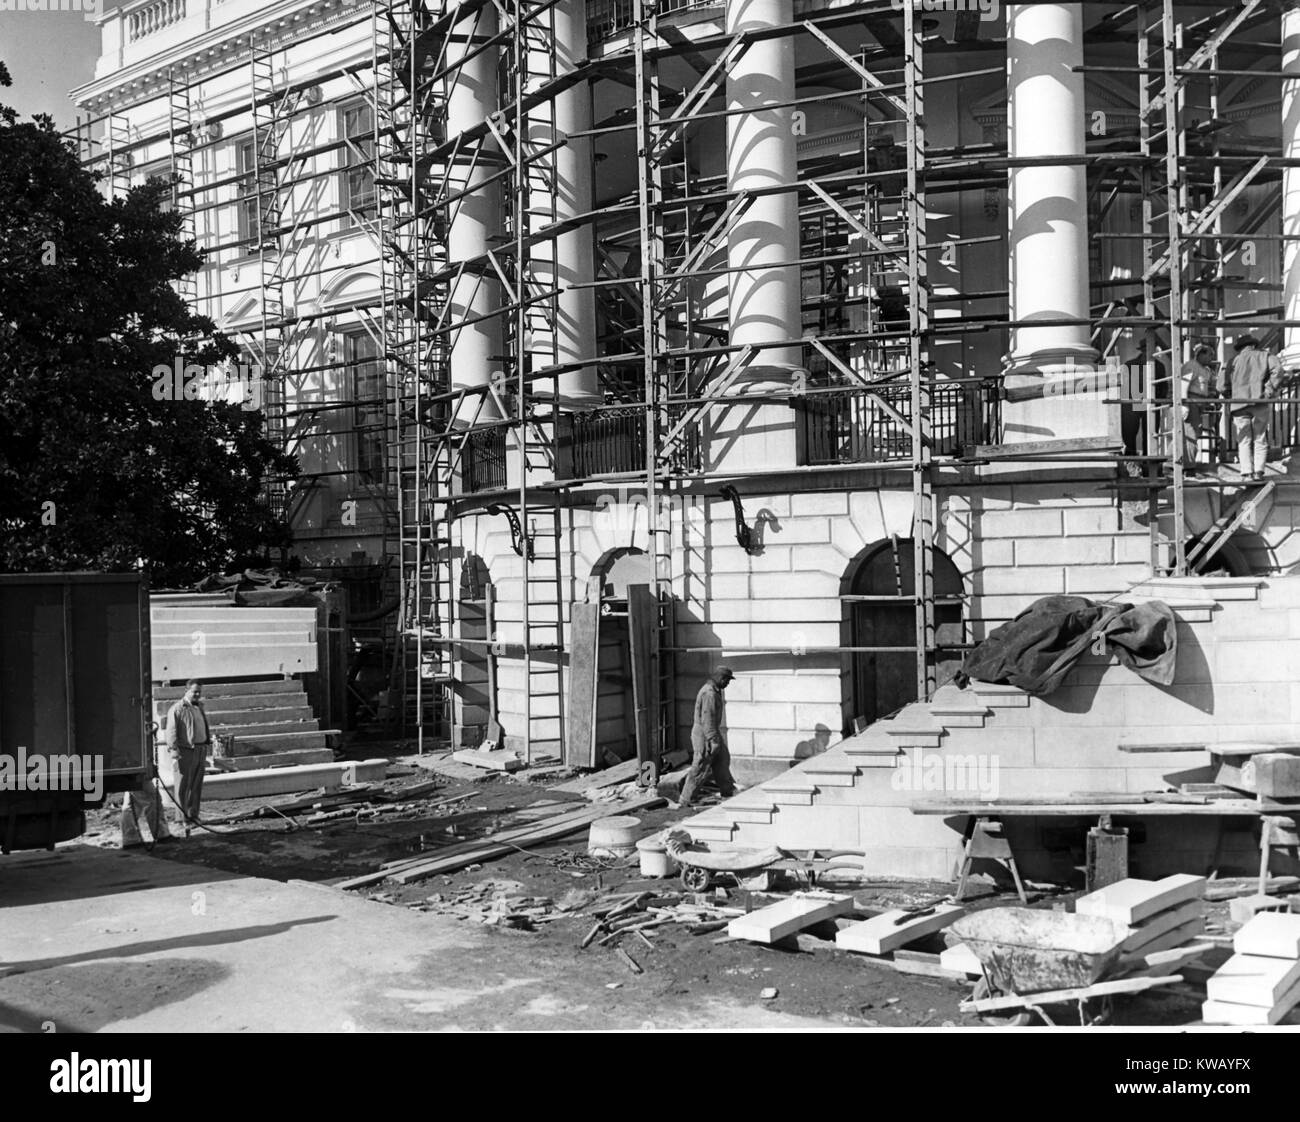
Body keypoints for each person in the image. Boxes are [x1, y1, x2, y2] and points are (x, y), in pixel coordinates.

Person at [1217, 334, 1280, 481]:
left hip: (1239, 404)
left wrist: (1230, 395)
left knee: (1243, 439)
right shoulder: (1265, 356)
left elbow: (1221, 385)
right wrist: (1268, 390)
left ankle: (1246, 472)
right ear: (1253, 345)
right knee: (1260, 437)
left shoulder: (1232, 361)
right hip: (1259, 401)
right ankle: (1259, 472)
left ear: (1240, 348)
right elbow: (1278, 371)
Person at [679, 666, 738, 808]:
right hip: (705, 735)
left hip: (711, 732)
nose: (728, 684)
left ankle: (728, 792)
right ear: (721, 678)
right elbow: (708, 719)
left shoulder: (714, 691)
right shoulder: (709, 694)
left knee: (722, 760)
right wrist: (713, 740)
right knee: (701, 766)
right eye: (727, 681)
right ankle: (686, 799)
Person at [164, 679, 211, 827]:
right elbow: (170, 731)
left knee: (196, 785)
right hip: (186, 751)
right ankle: (181, 818)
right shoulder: (177, 709)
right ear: (186, 691)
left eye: (199, 692)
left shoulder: (199, 707)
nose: (197, 694)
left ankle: (193, 815)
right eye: (194, 691)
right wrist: (174, 749)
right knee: (183, 786)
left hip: (200, 749)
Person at [1179, 344, 1217, 471]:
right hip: (1191, 402)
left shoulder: (1205, 370)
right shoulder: (1191, 366)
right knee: (1190, 433)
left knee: (1189, 432)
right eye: (1209, 355)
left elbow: (1206, 387)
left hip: (1199, 403)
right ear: (1200, 354)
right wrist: (1184, 404)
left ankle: (1171, 462)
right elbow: (1183, 385)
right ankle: (1188, 465)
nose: (1211, 358)